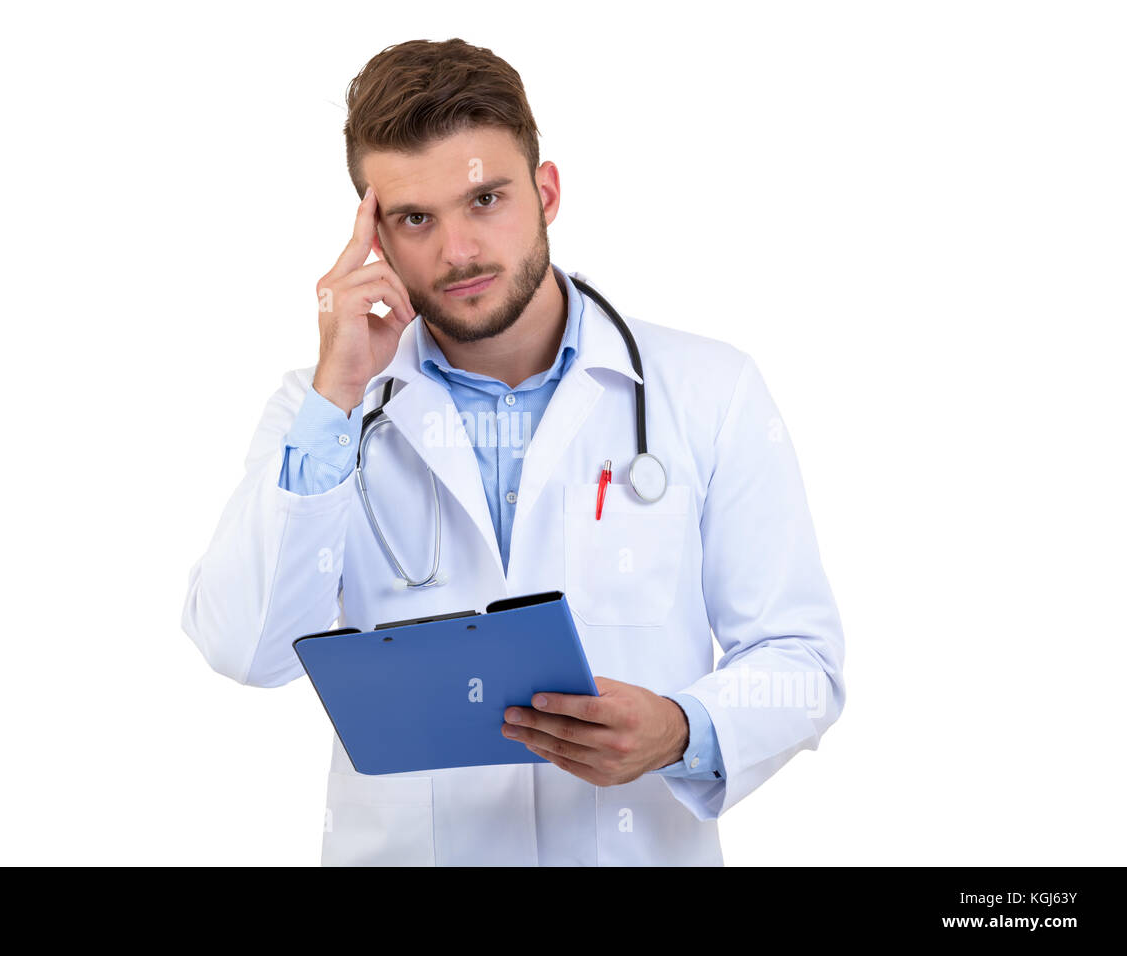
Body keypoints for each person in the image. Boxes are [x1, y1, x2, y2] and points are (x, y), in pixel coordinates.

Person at [181, 37, 845, 866]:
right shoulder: (322, 410)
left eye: (485, 200)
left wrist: (682, 729)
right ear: (374, 236)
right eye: (415, 219)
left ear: (546, 192)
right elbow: (246, 648)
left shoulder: (710, 391)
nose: (457, 251)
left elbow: (801, 661)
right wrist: (336, 397)